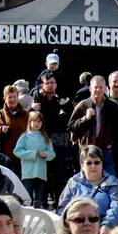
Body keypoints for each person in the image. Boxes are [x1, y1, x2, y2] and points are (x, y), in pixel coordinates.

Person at [56, 144, 118, 234]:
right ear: (82, 165)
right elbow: (63, 207)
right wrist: (68, 225)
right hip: (75, 232)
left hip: (102, 232)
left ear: (102, 163)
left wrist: (107, 224)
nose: (93, 166)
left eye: (97, 162)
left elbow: (117, 207)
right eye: (89, 163)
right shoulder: (73, 182)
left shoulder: (113, 183)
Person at [67, 75, 118, 174]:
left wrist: (112, 143)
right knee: (86, 185)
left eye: (101, 87)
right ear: (90, 89)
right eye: (95, 87)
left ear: (106, 89)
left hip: (106, 152)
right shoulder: (83, 105)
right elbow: (71, 127)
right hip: (87, 152)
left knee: (108, 184)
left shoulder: (114, 107)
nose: (98, 90)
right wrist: (85, 118)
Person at [35, 72, 70, 206]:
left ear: (56, 84)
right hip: (42, 138)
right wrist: (33, 109)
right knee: (43, 173)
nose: (50, 85)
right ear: (42, 84)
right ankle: (42, 202)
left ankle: (59, 203)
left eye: (52, 83)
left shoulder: (63, 98)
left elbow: (69, 119)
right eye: (47, 83)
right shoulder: (37, 97)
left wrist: (66, 106)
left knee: (60, 173)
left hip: (60, 139)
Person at [13, 109, 54, 208]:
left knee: (38, 199)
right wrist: (33, 154)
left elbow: (52, 154)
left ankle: (38, 217)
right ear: (29, 122)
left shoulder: (45, 137)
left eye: (39, 121)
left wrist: (46, 154)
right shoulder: (25, 136)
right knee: (27, 198)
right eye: (34, 121)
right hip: (28, 173)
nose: (37, 123)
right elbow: (17, 151)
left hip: (41, 173)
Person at [0, 82, 31, 160]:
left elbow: (32, 132)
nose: (12, 99)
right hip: (6, 156)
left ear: (18, 97)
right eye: (10, 97)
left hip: (23, 155)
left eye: (14, 97)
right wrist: (0, 129)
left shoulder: (26, 114)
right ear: (4, 99)